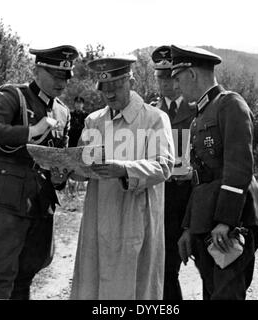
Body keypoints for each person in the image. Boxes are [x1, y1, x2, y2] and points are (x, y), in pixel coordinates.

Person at [0, 45, 79, 299]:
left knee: (27, 271)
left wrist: (59, 177)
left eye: (65, 77)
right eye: (55, 76)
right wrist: (30, 132)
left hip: (38, 204)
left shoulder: (63, 111)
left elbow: (57, 156)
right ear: (37, 71)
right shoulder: (13, 95)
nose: (62, 82)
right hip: (1, 201)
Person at [70, 56, 175, 300]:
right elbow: (83, 167)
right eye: (104, 88)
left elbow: (164, 165)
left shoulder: (155, 119)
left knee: (133, 286)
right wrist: (65, 169)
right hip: (98, 213)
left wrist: (125, 169)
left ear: (131, 81)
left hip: (134, 215)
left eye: (116, 86)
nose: (109, 93)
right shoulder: (94, 121)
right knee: (94, 282)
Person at [172, 45, 258, 300]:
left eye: (178, 78)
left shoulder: (230, 104)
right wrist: (188, 227)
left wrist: (227, 220)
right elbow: (200, 177)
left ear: (192, 74)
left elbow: (240, 165)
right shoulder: (200, 116)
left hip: (235, 219)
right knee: (213, 292)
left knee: (226, 294)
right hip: (207, 219)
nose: (176, 86)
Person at [151, 45, 196, 300]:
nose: (166, 83)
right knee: (166, 269)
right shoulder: (151, 114)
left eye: (170, 76)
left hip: (193, 197)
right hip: (162, 201)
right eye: (160, 77)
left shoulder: (197, 109)